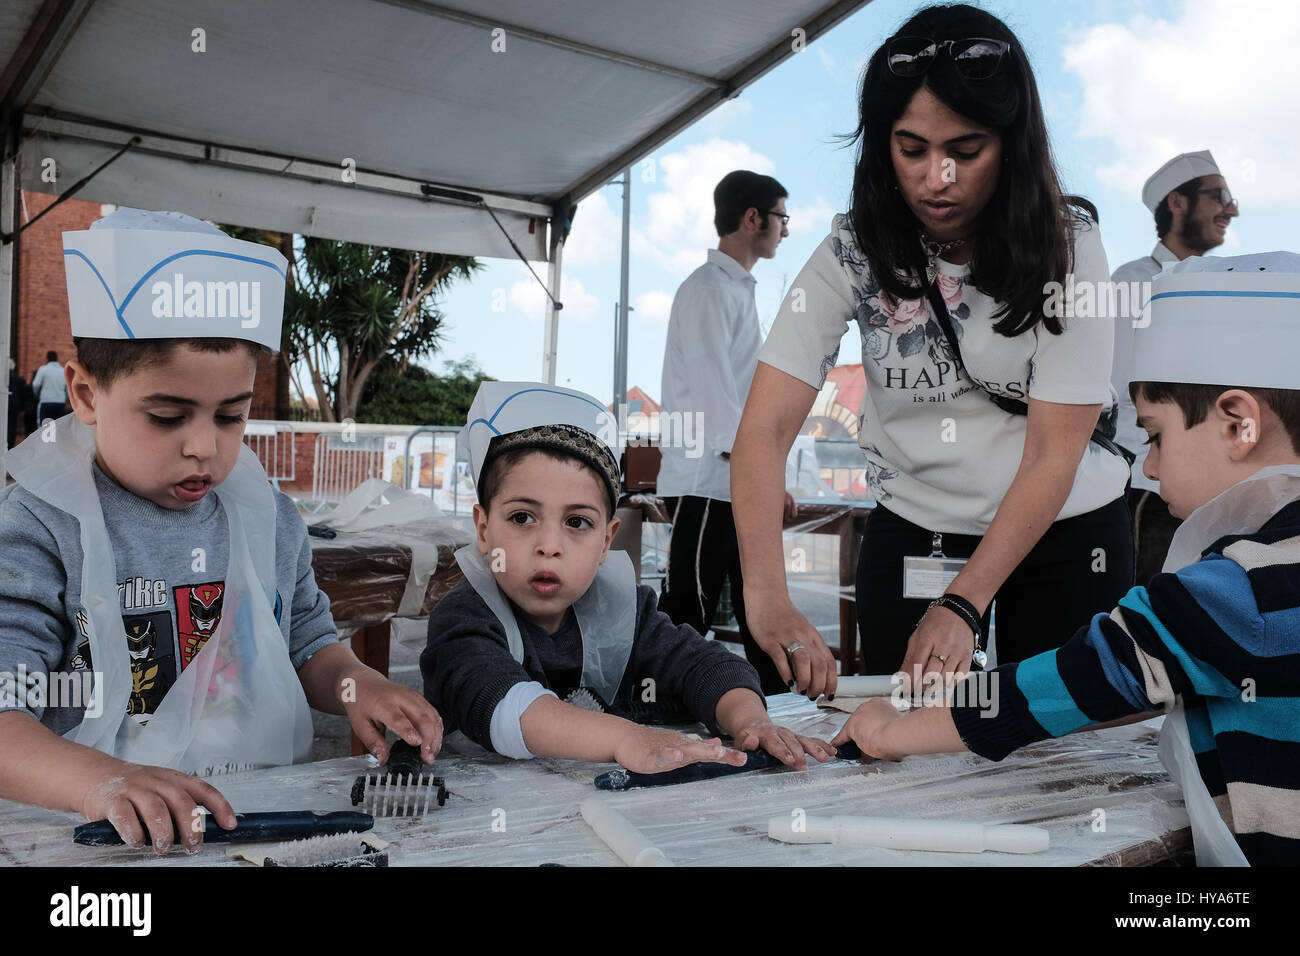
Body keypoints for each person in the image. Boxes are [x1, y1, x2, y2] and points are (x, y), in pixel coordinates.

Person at [834, 252, 1300, 866]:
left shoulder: (1238, 592)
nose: (1151, 466)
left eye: (1156, 435)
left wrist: (894, 730)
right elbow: (1134, 680)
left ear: (1238, 423)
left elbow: (1082, 676)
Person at [0, 208, 442, 854]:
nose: (203, 448)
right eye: (168, 416)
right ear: (86, 394)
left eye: (231, 417)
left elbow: (310, 646)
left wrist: (360, 686)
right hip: (90, 835)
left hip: (255, 822)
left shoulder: (265, 517)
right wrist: (104, 782)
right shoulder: (42, 526)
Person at [731, 4, 1134, 701]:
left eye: (966, 151)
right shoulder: (851, 253)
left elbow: (1053, 454)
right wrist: (766, 593)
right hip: (917, 532)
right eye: (911, 148)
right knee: (910, 748)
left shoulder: (1070, 248)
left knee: (1066, 757)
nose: (937, 177)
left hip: (1067, 530)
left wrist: (964, 604)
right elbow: (764, 431)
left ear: (1012, 144)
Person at [421, 381, 834, 772]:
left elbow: (706, 666)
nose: (549, 545)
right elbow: (507, 708)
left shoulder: (624, 613)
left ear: (606, 541)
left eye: (577, 522)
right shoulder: (464, 619)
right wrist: (626, 738)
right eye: (522, 517)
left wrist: (749, 721)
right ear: (483, 529)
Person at [656, 170, 797, 695]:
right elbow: (716, 396)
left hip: (731, 480)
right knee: (687, 608)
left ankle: (778, 709)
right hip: (706, 481)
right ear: (752, 217)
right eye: (781, 217)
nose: (785, 230)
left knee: (758, 601)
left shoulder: (734, 289)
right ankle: (673, 708)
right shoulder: (708, 289)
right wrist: (760, 476)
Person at [1111, 151, 1240, 585]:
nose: (1232, 208)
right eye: (1219, 195)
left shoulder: (1224, 283)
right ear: (1178, 203)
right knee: (1148, 626)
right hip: (1152, 493)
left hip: (1215, 494)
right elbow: (1117, 398)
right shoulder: (1134, 283)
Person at [31, 349, 68, 425]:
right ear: (57, 359)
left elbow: (36, 384)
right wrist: (66, 398)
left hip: (46, 401)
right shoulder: (63, 371)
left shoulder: (43, 369)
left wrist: (36, 394)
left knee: (43, 427)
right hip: (60, 402)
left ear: (47, 359)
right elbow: (67, 387)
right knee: (58, 426)